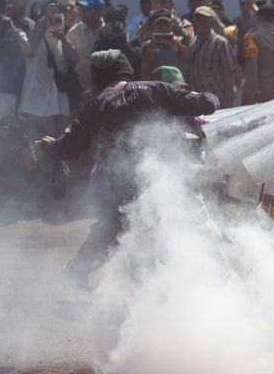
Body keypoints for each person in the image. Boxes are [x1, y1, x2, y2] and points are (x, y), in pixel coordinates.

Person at [37, 50, 218, 285]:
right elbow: (206, 103)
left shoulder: (97, 105)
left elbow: (69, 147)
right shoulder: (155, 89)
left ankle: (81, 270)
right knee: (177, 223)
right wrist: (211, 96)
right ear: (126, 70)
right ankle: (185, 283)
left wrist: (52, 146)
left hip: (116, 183)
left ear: (96, 78)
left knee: (112, 229)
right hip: (160, 179)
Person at [19, 8, 76, 139]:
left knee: (54, 140)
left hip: (57, 101)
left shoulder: (63, 42)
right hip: (34, 100)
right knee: (32, 140)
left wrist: (63, 38)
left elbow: (74, 60)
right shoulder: (36, 40)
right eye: (51, 20)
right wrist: (46, 18)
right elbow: (34, 38)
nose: (54, 24)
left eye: (58, 21)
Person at [187, 6, 239, 104]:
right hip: (198, 99)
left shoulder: (220, 42)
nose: (202, 23)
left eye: (206, 20)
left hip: (217, 97)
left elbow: (230, 73)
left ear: (212, 21)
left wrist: (228, 99)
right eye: (199, 20)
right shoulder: (193, 42)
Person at [0, 0, 35, 126]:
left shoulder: (16, 30)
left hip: (6, 91)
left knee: (4, 129)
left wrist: (12, 29)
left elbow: (29, 52)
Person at [240, 4, 274, 104]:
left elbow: (251, 66)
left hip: (259, 91)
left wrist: (250, 92)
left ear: (258, 17)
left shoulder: (252, 37)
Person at [66, 0, 105, 99]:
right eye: (82, 9)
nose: (82, 12)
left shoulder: (108, 32)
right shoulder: (75, 31)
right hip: (78, 89)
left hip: (103, 91)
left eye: (87, 10)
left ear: (98, 12)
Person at [139, 9, 189, 81]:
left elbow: (189, 57)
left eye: (166, 24)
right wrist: (151, 46)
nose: (163, 28)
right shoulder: (148, 45)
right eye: (159, 25)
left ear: (172, 25)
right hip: (157, 82)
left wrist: (177, 44)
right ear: (154, 26)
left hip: (178, 82)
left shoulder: (181, 41)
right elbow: (148, 63)